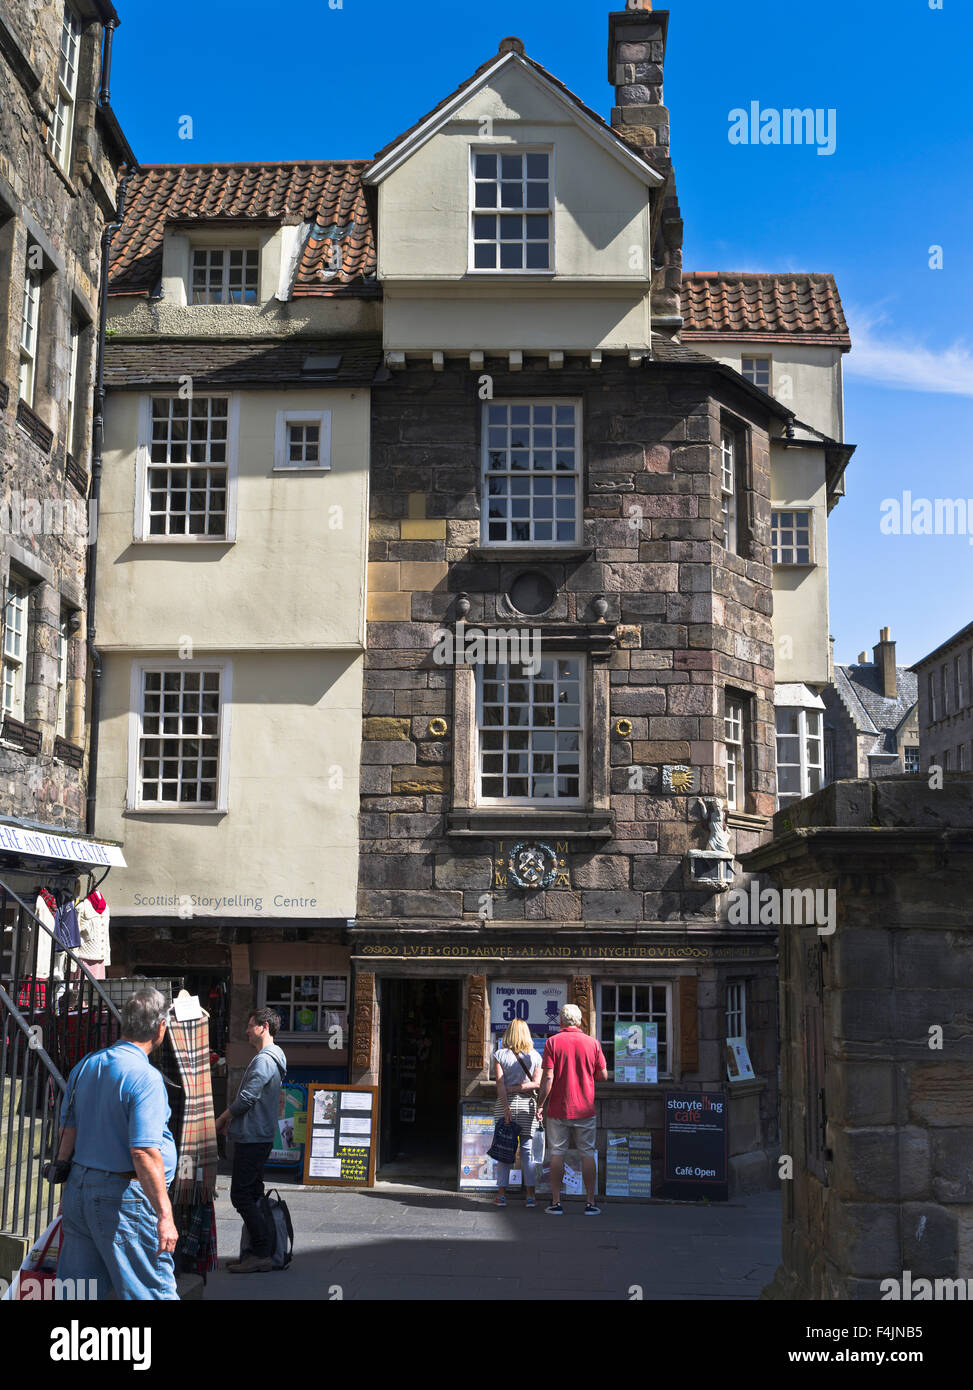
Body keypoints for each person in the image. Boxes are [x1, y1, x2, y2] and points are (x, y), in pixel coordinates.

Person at [54, 987, 179, 1300]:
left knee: (78, 1293)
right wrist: (165, 1215)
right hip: (122, 1198)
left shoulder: (86, 1065)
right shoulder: (145, 1077)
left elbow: (67, 1133)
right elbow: (144, 1151)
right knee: (151, 1292)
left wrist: (66, 1190)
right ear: (161, 1027)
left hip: (80, 1187)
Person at [215, 1008, 287, 1273]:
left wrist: (222, 1118)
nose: (246, 1030)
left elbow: (247, 1099)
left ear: (264, 1027)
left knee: (241, 1195)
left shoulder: (265, 1060)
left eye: (250, 1026)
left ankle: (261, 1252)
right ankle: (262, 1250)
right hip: (258, 1134)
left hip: (254, 1137)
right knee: (253, 1193)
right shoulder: (271, 1058)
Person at [536, 1003, 608, 1216]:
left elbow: (548, 1077)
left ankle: (556, 1202)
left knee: (557, 1153)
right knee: (587, 1153)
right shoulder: (592, 1043)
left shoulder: (552, 1042)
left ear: (561, 1021)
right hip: (585, 1108)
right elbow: (603, 1075)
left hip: (558, 1108)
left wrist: (540, 1104)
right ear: (579, 1021)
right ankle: (590, 1202)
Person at [491, 1018, 542, 1207]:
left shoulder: (500, 1054)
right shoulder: (535, 1055)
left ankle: (502, 1195)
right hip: (528, 1106)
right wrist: (519, 1088)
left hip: (507, 1105)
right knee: (528, 1151)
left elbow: (500, 1082)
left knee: (505, 1148)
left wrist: (506, 1105)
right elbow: (537, 1083)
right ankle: (530, 1196)